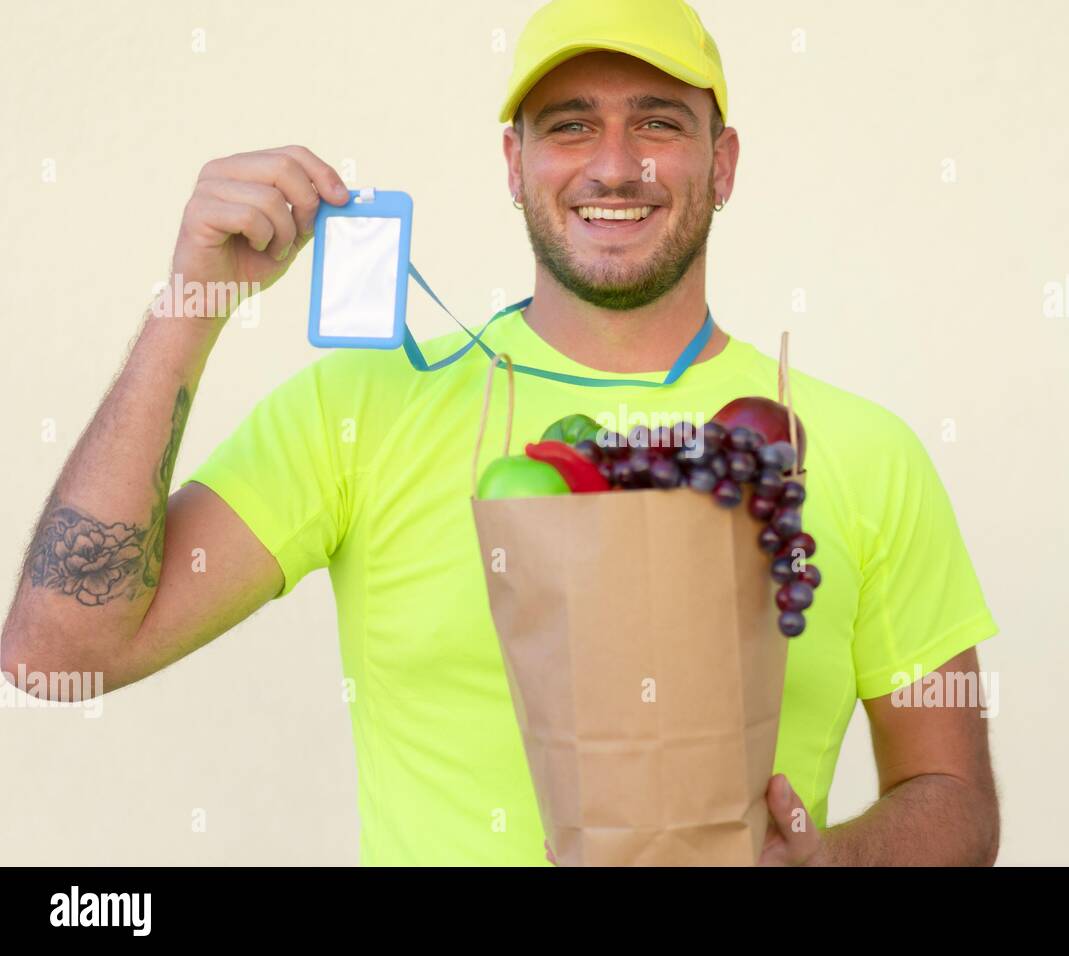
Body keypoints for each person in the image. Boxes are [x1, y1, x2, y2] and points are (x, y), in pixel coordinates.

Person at [1, 0, 1001, 866]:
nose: (614, 164)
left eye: (658, 122)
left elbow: (953, 798)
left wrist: (828, 864)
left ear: (722, 162)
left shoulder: (861, 448)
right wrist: (194, 300)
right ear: (513, 164)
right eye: (569, 126)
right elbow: (56, 649)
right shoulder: (361, 408)